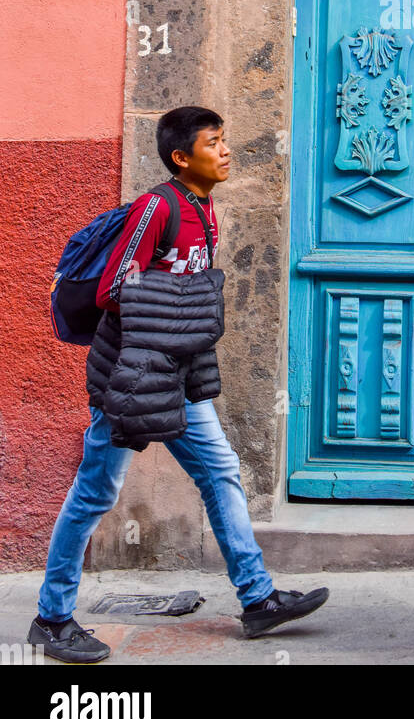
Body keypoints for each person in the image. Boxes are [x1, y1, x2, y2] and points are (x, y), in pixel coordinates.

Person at [28, 105, 328, 664]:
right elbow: (115, 287)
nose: (226, 151)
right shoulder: (156, 207)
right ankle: (52, 618)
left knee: (220, 472)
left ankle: (258, 598)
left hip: (181, 376)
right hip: (131, 376)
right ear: (181, 157)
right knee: (96, 493)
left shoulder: (205, 210)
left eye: (225, 140)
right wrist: (185, 310)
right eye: (214, 143)